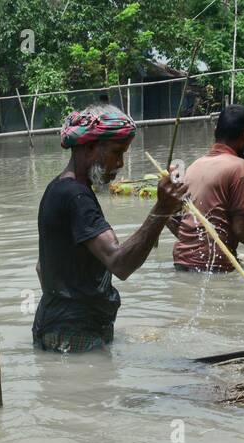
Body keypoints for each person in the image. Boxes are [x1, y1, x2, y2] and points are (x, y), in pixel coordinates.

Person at [31, 105, 187, 353]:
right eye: (116, 153)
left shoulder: (59, 188)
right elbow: (121, 264)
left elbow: (42, 267)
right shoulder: (76, 198)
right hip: (74, 334)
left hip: (58, 326)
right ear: (89, 147)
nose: (120, 163)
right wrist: (161, 209)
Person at [172, 104, 244, 273]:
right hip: (213, 265)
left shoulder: (194, 165)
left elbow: (173, 217)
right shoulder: (239, 166)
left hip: (181, 261)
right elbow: (240, 227)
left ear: (215, 131)